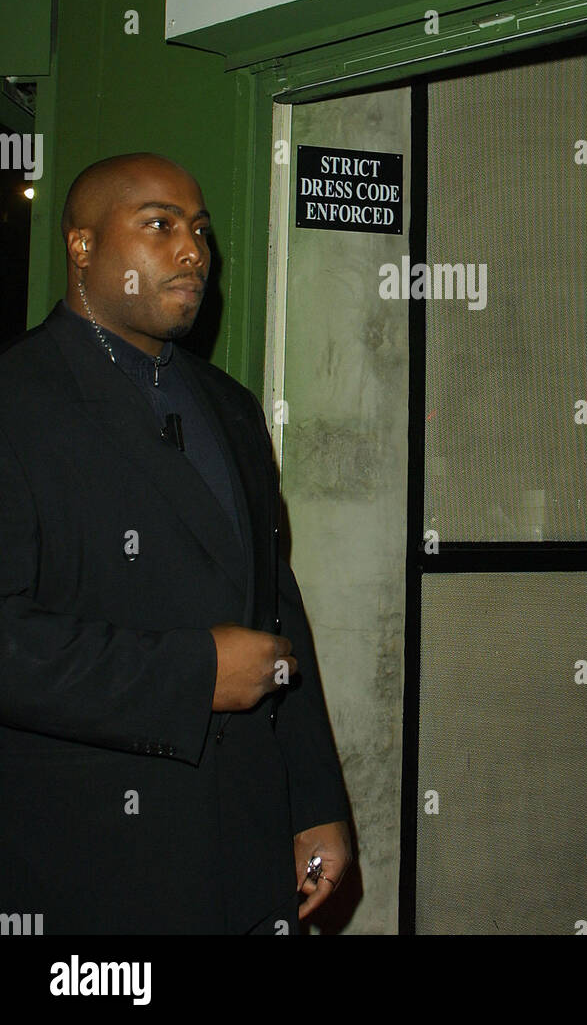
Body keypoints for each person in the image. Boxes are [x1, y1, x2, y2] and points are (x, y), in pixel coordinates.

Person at [0, 151, 352, 934]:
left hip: (248, 850)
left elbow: (276, 607)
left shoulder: (231, 406)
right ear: (83, 247)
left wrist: (314, 802)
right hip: (86, 865)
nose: (194, 250)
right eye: (158, 225)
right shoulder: (17, 401)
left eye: (198, 230)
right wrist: (192, 674)